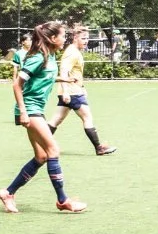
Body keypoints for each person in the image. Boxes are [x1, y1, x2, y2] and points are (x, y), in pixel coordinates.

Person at [0, 21, 85, 214]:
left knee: (42, 156)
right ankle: (63, 200)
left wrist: (64, 79)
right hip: (29, 109)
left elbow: (44, 76)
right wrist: (24, 112)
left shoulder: (50, 56)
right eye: (62, 35)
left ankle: (8, 193)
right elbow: (16, 85)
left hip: (36, 109)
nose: (65, 38)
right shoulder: (37, 58)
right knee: (53, 150)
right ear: (52, 38)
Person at [48, 25, 116, 156]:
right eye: (83, 38)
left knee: (56, 119)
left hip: (72, 90)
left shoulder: (75, 51)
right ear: (75, 38)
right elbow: (64, 71)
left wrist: (82, 87)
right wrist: (66, 91)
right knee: (87, 117)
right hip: (72, 92)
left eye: (87, 39)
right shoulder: (72, 52)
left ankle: (42, 143)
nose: (86, 41)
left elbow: (75, 72)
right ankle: (99, 148)